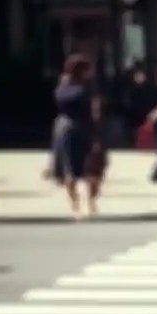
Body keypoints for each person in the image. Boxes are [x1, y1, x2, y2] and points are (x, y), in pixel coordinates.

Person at [52, 54, 104, 218]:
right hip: (81, 128)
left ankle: (77, 201)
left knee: (73, 169)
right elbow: (93, 112)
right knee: (90, 168)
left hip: (64, 127)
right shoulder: (84, 89)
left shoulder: (63, 87)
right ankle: (88, 202)